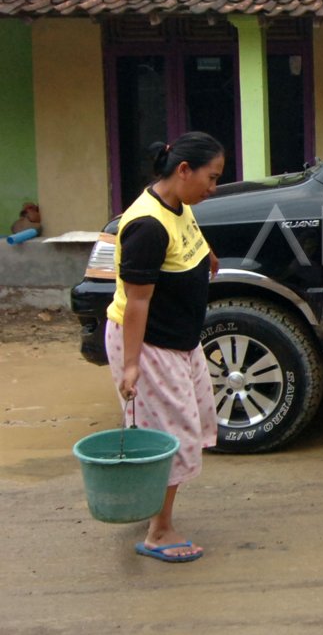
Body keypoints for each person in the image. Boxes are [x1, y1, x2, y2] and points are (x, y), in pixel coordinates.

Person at [105, 132, 224, 562]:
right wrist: (132, 367)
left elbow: (187, 232)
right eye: (211, 178)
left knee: (187, 423)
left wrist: (206, 255)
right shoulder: (145, 227)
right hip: (150, 346)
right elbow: (136, 302)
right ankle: (159, 530)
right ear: (184, 170)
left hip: (179, 342)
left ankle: (150, 507)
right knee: (171, 435)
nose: (214, 187)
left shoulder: (178, 204)